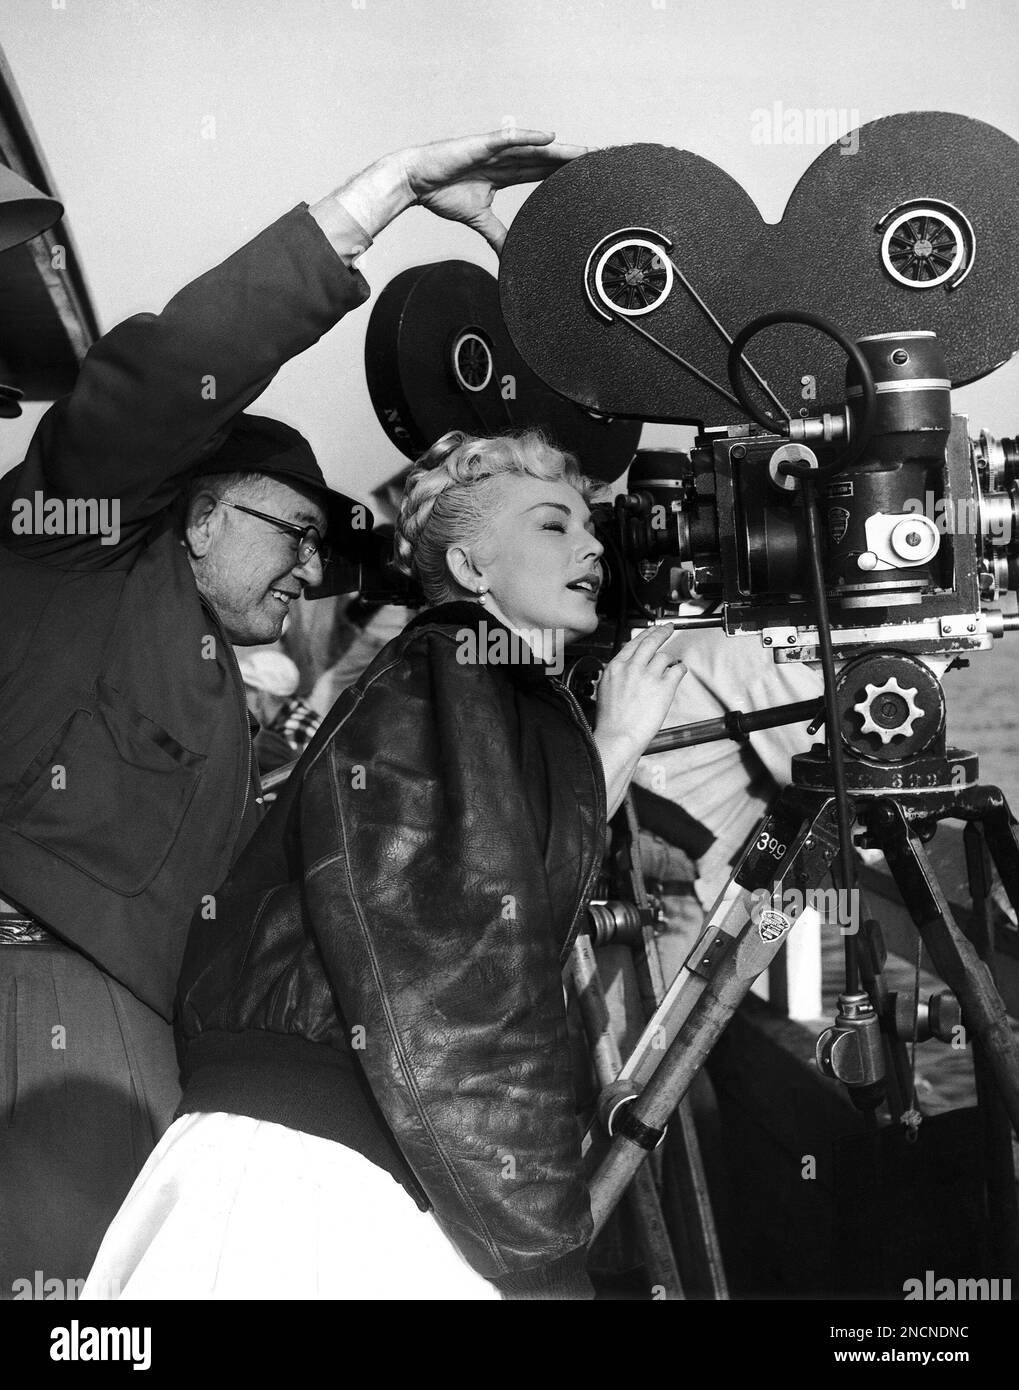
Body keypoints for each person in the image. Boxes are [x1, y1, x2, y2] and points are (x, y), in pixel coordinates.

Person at [0, 127, 585, 1297]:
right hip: (51, 1025)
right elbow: (172, 373)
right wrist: (374, 202)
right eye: (294, 530)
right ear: (196, 511)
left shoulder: (219, 683)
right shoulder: (73, 554)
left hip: (158, 1042)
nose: (310, 572)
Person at [81, 430, 687, 1300]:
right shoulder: (448, 680)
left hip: (336, 1148)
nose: (591, 546)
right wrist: (544, 1249)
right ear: (471, 568)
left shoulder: (467, 684)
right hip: (316, 1182)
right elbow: (460, 984)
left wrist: (616, 741)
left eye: (588, 527)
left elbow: (499, 881)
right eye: (553, 526)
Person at [237, 649, 322, 773]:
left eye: (245, 690)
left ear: (261, 695)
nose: (239, 699)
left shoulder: (293, 734)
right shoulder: (296, 710)